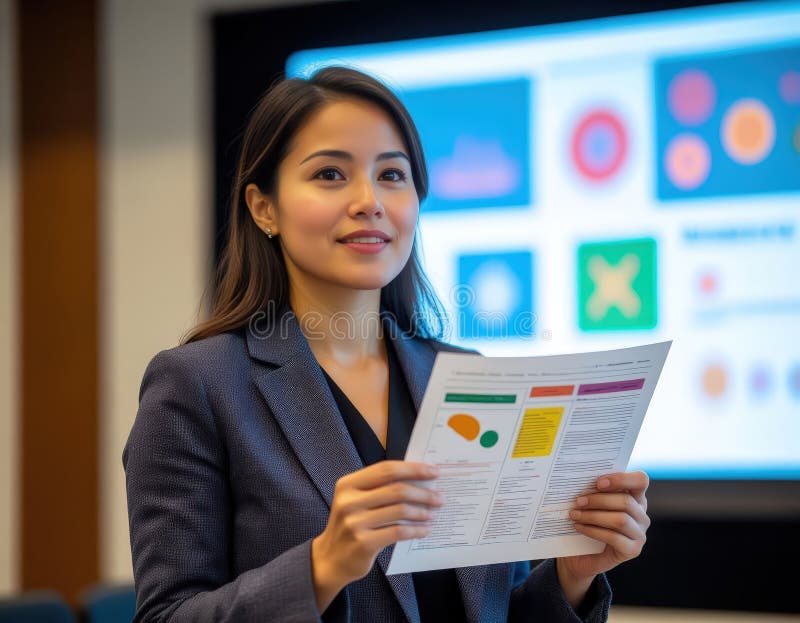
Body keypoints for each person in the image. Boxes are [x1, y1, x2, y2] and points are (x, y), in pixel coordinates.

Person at [123, 65, 651, 623]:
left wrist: (573, 576)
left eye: (392, 176)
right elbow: (167, 615)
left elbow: (495, 607)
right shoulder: (198, 385)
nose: (369, 200)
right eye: (330, 174)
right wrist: (322, 565)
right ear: (264, 208)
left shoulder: (465, 375)